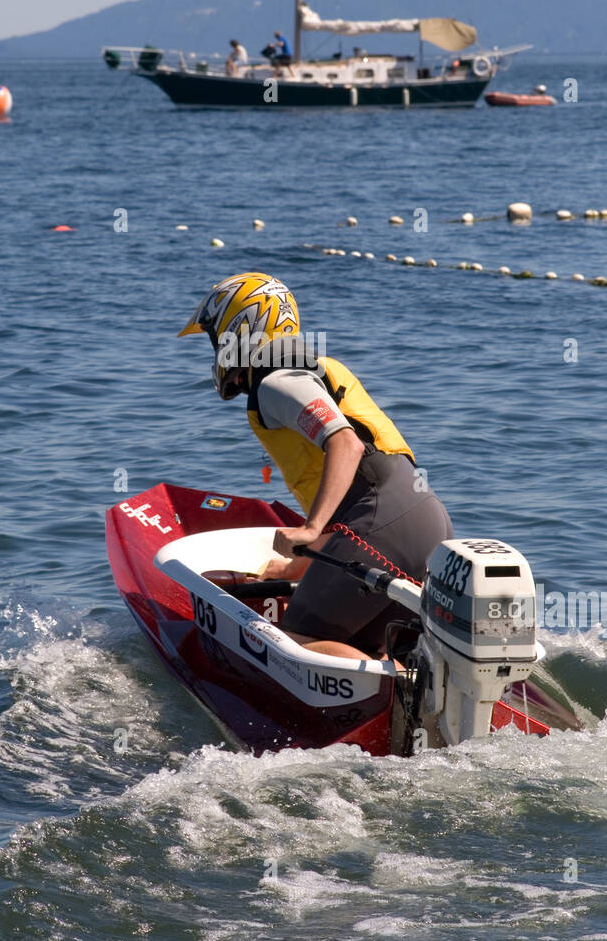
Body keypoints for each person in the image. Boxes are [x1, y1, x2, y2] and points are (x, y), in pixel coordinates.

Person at [178, 271, 453, 661]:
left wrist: (309, 529)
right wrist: (295, 566)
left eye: (214, 338)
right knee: (377, 649)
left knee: (293, 646)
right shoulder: (310, 369)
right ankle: (418, 712)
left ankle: (368, 709)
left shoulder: (276, 382)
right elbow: (359, 512)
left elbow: (345, 443)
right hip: (424, 520)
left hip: (380, 520)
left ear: (239, 329)